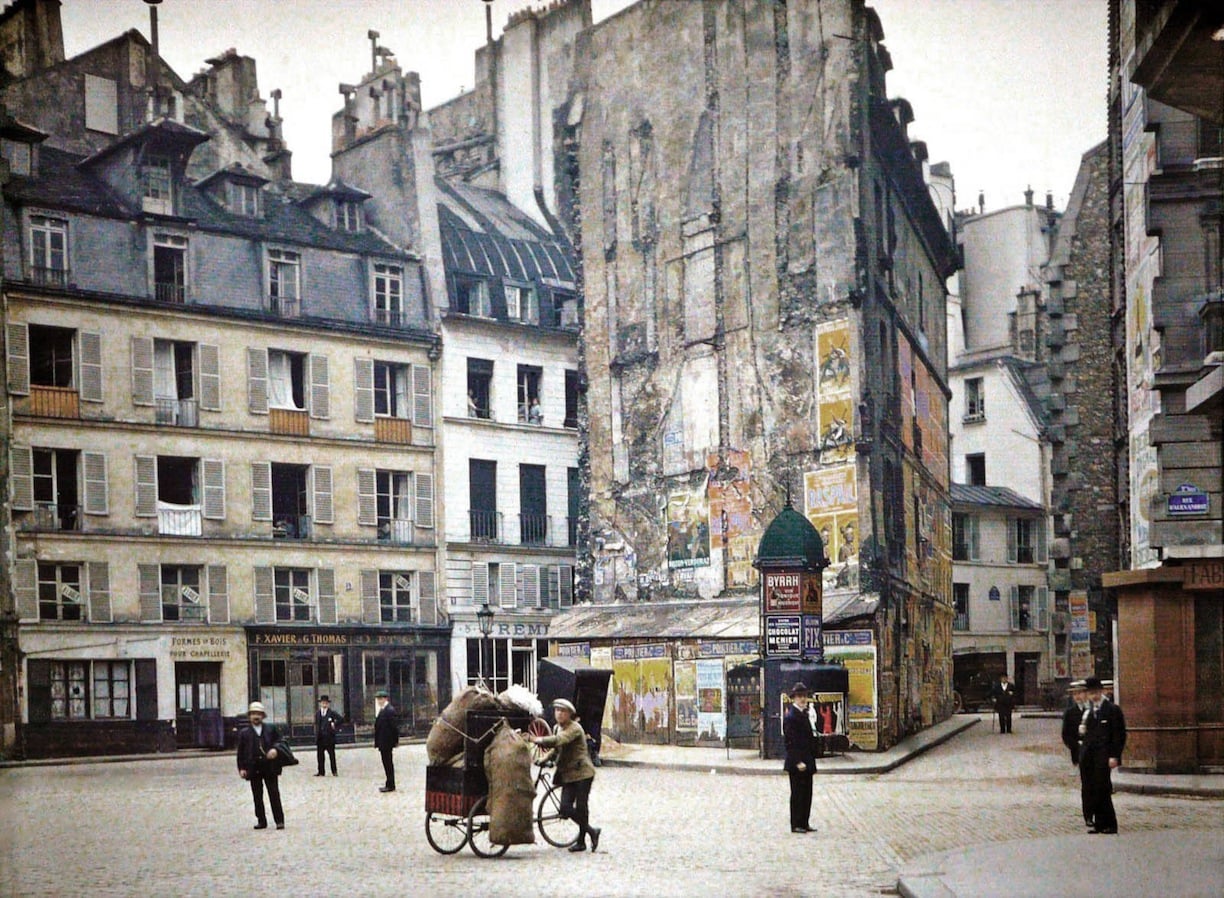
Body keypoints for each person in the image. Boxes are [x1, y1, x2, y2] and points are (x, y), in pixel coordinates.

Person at [530, 698, 601, 852]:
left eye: (563, 711)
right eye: (557, 710)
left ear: (570, 714)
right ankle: (591, 831)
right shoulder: (557, 728)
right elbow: (556, 749)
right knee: (565, 808)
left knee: (581, 807)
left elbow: (559, 741)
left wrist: (537, 739)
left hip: (582, 773)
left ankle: (582, 841)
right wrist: (543, 759)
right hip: (568, 774)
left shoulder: (575, 729)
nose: (559, 714)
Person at [1079, 676, 1126, 834]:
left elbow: (1119, 735)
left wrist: (1115, 756)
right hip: (1090, 757)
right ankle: (1099, 824)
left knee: (1103, 788)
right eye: (1091, 693)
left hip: (1104, 756)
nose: (1094, 695)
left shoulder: (1112, 710)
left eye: (1096, 692)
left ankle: (1110, 824)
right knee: (1093, 789)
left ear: (1102, 691)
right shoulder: (1088, 711)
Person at [236, 701, 285, 830]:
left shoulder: (271, 729)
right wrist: (241, 768)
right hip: (253, 767)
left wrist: (275, 749)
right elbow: (240, 753)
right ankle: (261, 820)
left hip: (270, 766)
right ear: (249, 717)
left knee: (274, 793)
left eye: (258, 714)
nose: (256, 716)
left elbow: (281, 741)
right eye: (253, 714)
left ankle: (279, 820)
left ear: (263, 716)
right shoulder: (244, 733)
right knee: (257, 795)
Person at [783, 683, 818, 834]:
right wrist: (798, 761)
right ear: (794, 699)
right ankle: (796, 823)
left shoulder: (804, 714)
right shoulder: (791, 716)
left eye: (804, 696)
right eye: (800, 697)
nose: (803, 699)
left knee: (807, 793)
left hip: (807, 760)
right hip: (798, 762)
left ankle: (804, 822)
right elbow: (790, 742)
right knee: (797, 793)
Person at [373, 689, 398, 792]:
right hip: (383, 742)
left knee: (388, 763)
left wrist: (395, 741)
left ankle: (391, 784)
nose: (379, 701)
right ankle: (389, 782)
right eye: (378, 699)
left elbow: (394, 727)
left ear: (385, 699)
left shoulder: (389, 710)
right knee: (386, 763)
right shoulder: (383, 710)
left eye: (381, 699)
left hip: (387, 742)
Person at [315, 695, 342, 777]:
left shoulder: (331, 713)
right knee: (320, 756)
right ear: (320, 704)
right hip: (320, 738)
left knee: (332, 755)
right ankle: (321, 771)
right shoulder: (318, 713)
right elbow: (317, 724)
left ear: (328, 704)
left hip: (329, 738)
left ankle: (334, 771)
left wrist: (335, 724)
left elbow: (341, 719)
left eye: (326, 703)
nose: (324, 704)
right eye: (323, 703)